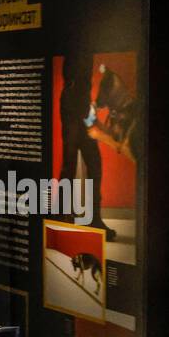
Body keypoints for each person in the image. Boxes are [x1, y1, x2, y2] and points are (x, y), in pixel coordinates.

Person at [58, 55, 116, 240]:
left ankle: (92, 219)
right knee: (71, 163)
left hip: (81, 104)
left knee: (92, 163)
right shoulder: (76, 45)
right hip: (74, 104)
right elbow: (73, 80)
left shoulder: (82, 48)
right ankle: (65, 217)